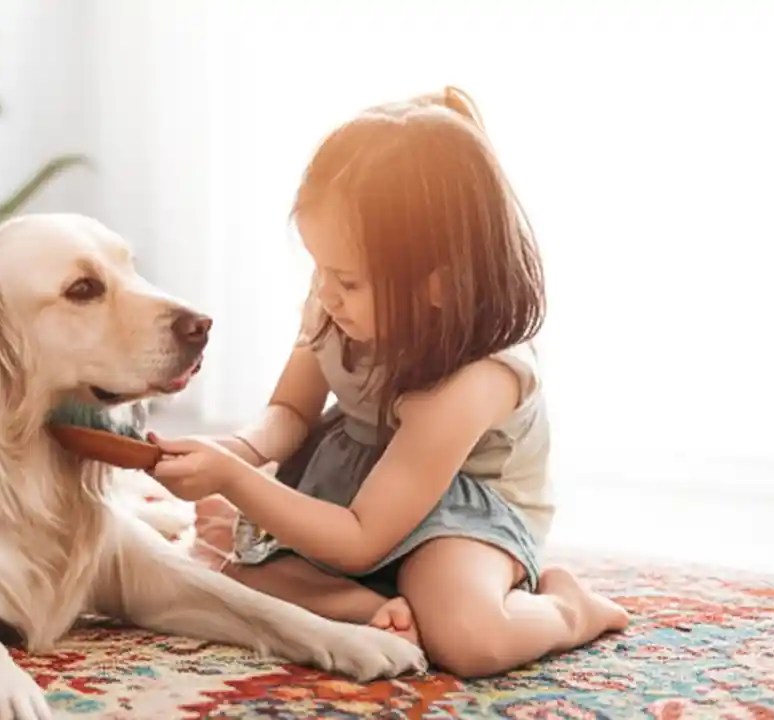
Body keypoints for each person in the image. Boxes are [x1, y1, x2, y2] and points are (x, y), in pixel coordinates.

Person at [147, 87, 629, 678]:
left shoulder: (477, 378)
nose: (325, 292)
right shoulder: (337, 304)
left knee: (469, 639)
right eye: (318, 267)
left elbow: (360, 538)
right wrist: (243, 450)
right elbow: (291, 412)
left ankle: (566, 610)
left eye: (346, 279)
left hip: (463, 514)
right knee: (230, 576)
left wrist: (232, 479)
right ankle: (369, 607)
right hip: (357, 490)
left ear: (440, 285)